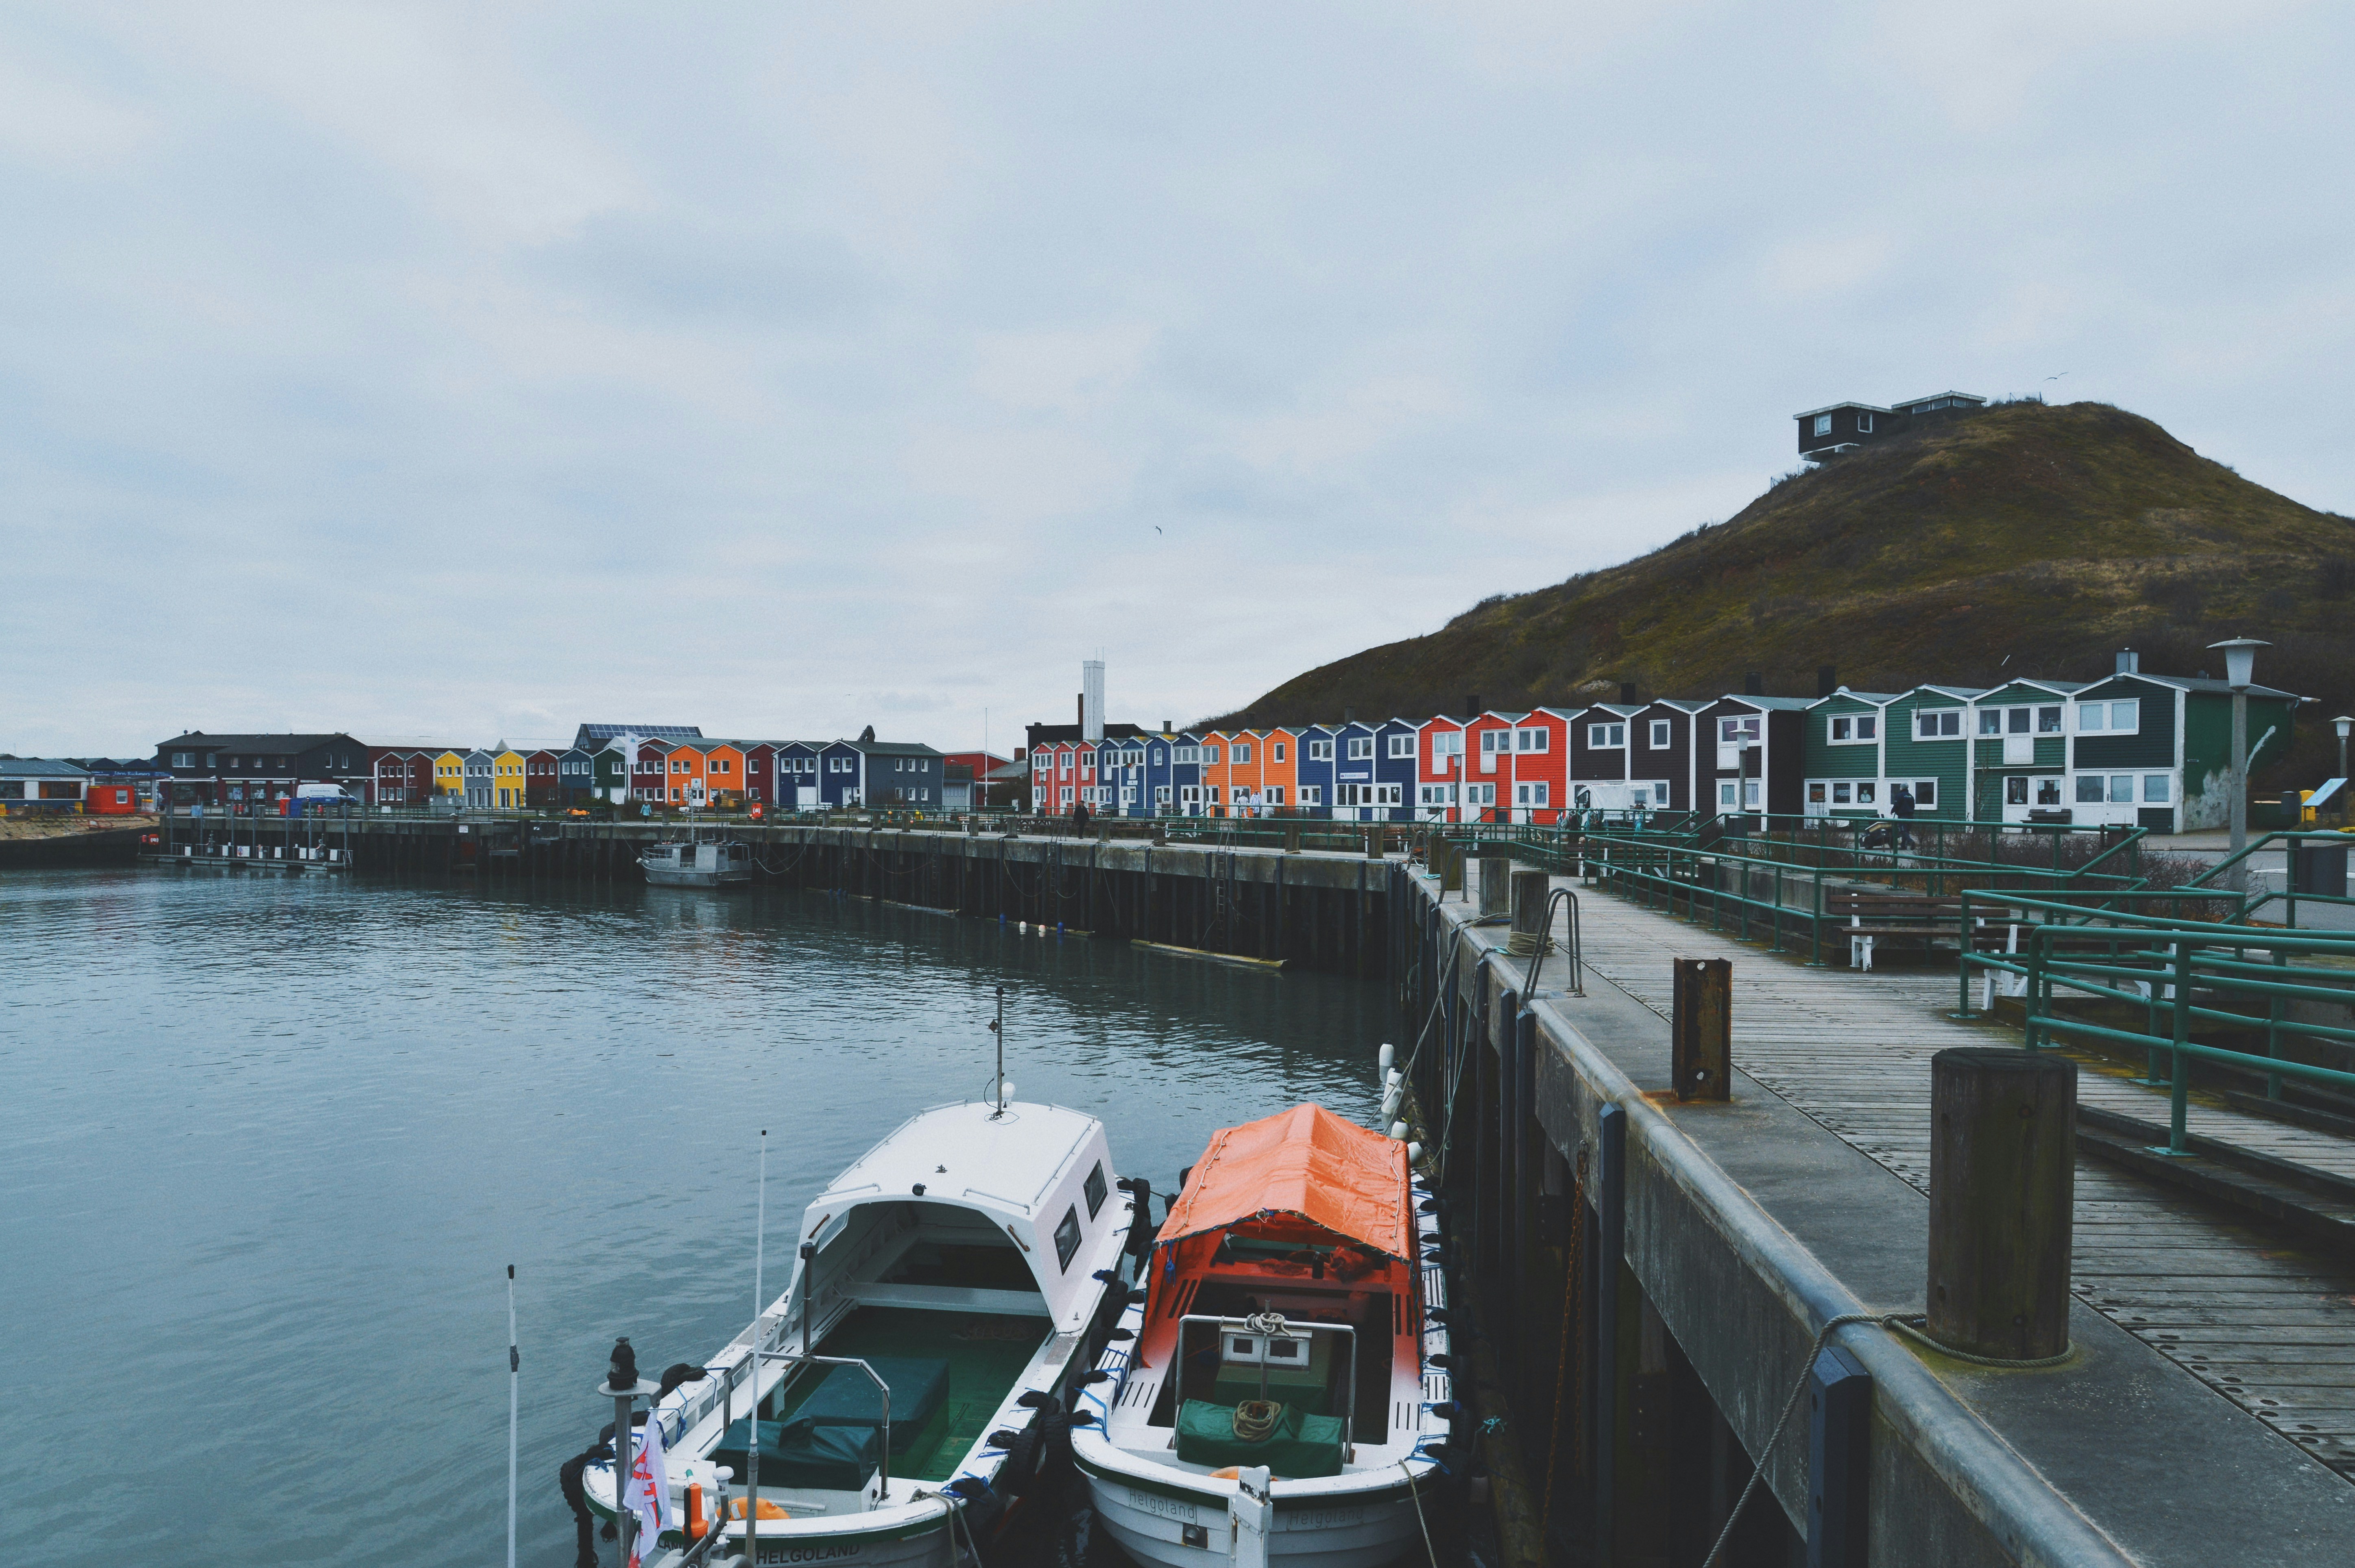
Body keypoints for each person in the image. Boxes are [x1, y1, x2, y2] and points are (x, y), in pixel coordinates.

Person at [1891, 784, 1917, 850]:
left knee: (1903, 831)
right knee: (1907, 831)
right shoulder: (1911, 796)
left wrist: (1893, 811)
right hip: (1911, 816)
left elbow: (1897, 805)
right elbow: (1913, 806)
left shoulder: (1900, 795)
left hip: (1903, 816)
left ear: (1901, 788)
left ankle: (1910, 842)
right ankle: (1903, 846)